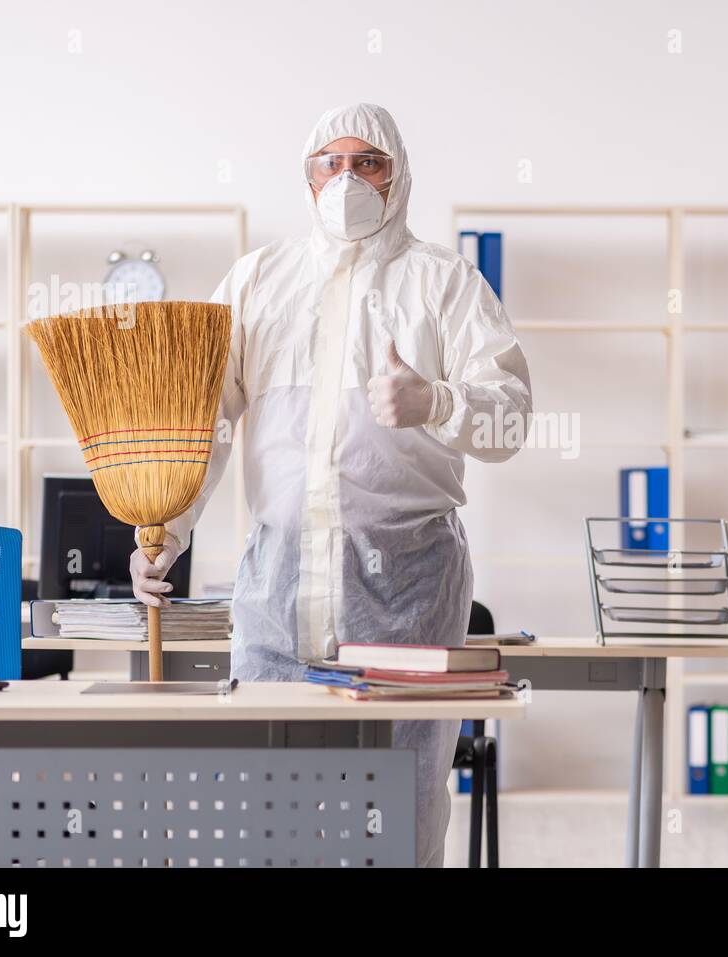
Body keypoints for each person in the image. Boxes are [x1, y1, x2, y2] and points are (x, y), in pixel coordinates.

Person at [128, 102, 532, 867]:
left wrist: (436, 402)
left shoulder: (446, 284)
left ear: (399, 175)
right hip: (276, 595)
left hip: (407, 593)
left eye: (369, 162)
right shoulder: (256, 282)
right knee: (265, 820)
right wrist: (166, 531)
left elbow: (511, 418)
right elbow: (200, 422)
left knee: (400, 819)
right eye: (331, 163)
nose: (349, 179)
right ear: (307, 177)